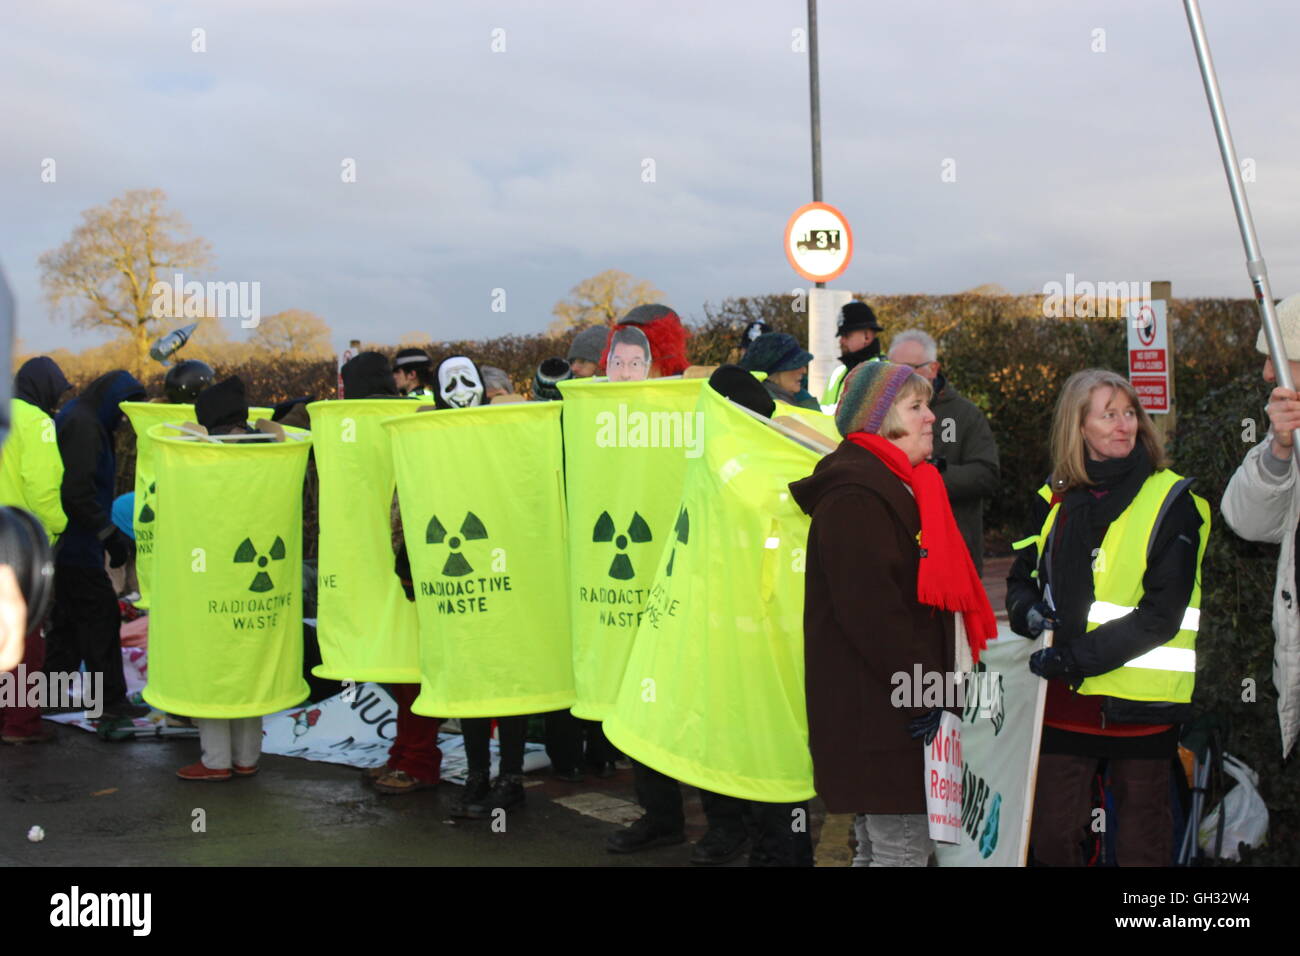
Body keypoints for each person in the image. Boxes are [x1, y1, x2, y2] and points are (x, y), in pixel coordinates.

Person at [790, 361, 996, 867]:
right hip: (883, 716)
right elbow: (874, 616)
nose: (932, 418)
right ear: (880, 422)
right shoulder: (859, 496)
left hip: (888, 709)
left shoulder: (897, 485)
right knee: (900, 851)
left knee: (883, 850)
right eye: (916, 407)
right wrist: (925, 691)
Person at [1006, 369, 1208, 866]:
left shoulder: (1172, 500)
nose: (1124, 426)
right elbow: (1021, 578)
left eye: (1129, 412)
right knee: (1051, 840)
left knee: (1142, 845)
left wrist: (1072, 658)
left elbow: (1161, 616)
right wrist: (1026, 611)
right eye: (1108, 415)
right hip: (1064, 703)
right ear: (1078, 429)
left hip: (1140, 706)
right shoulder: (1053, 498)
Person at [333, 352, 446, 796]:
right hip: (400, 562)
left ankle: (418, 761)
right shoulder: (402, 418)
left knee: (410, 667)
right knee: (402, 665)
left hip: (404, 565)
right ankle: (404, 753)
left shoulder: (374, 423)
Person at [1221, 292, 1300, 758]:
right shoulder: (1284, 434)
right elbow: (1247, 521)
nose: (1268, 372)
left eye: (1276, 356)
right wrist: (1279, 453)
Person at [45, 369, 147, 721]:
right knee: (100, 616)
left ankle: (52, 696)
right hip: (79, 542)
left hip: (70, 542)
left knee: (69, 621)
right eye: (123, 412)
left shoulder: (82, 417)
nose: (123, 421)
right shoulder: (86, 427)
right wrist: (108, 533)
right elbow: (77, 491)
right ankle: (110, 701)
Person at [888, 329, 1000, 574]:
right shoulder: (882, 412)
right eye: (892, 368)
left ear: (933, 369)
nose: (898, 377)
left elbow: (987, 474)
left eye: (909, 369)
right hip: (900, 552)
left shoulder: (965, 415)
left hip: (954, 554)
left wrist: (932, 477)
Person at [0, 357, 71, 744]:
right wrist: (58, 527)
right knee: (26, 638)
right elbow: (43, 487)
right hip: (20, 543)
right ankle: (21, 724)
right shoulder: (37, 422)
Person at [820, 301, 884, 408]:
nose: (841, 341)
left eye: (846, 335)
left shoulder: (884, 373)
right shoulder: (838, 373)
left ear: (866, 336)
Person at [603, 304, 691, 379]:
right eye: (618, 363)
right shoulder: (609, 394)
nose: (625, 374)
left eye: (635, 363)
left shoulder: (692, 394)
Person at [739, 332, 819, 411]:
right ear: (774, 373)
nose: (804, 370)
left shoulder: (798, 398)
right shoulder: (763, 412)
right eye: (796, 365)